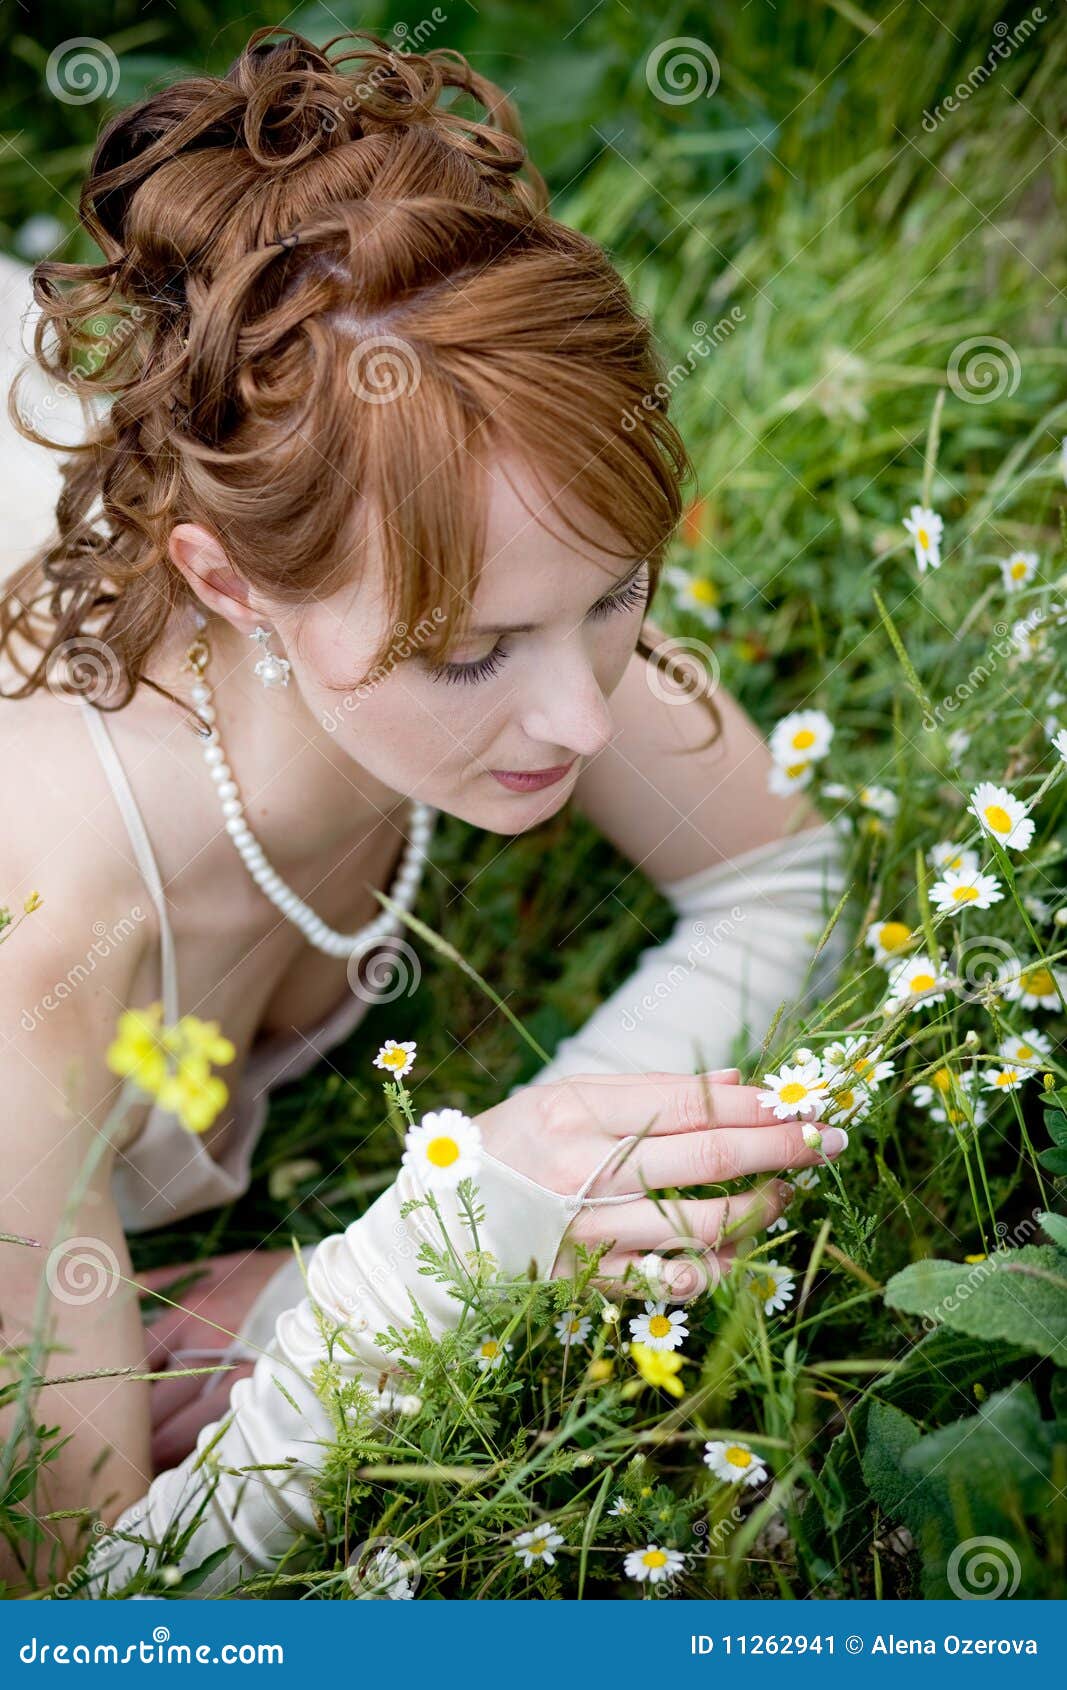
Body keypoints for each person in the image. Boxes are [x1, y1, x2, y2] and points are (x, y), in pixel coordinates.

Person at [0, 28, 848, 1595]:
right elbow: (74, 1609)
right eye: (468, 658)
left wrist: (495, 1191)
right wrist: (411, 1273)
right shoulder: (45, 909)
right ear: (223, 581)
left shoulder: (481, 548)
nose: (588, 719)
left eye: (615, 596)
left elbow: (784, 873)